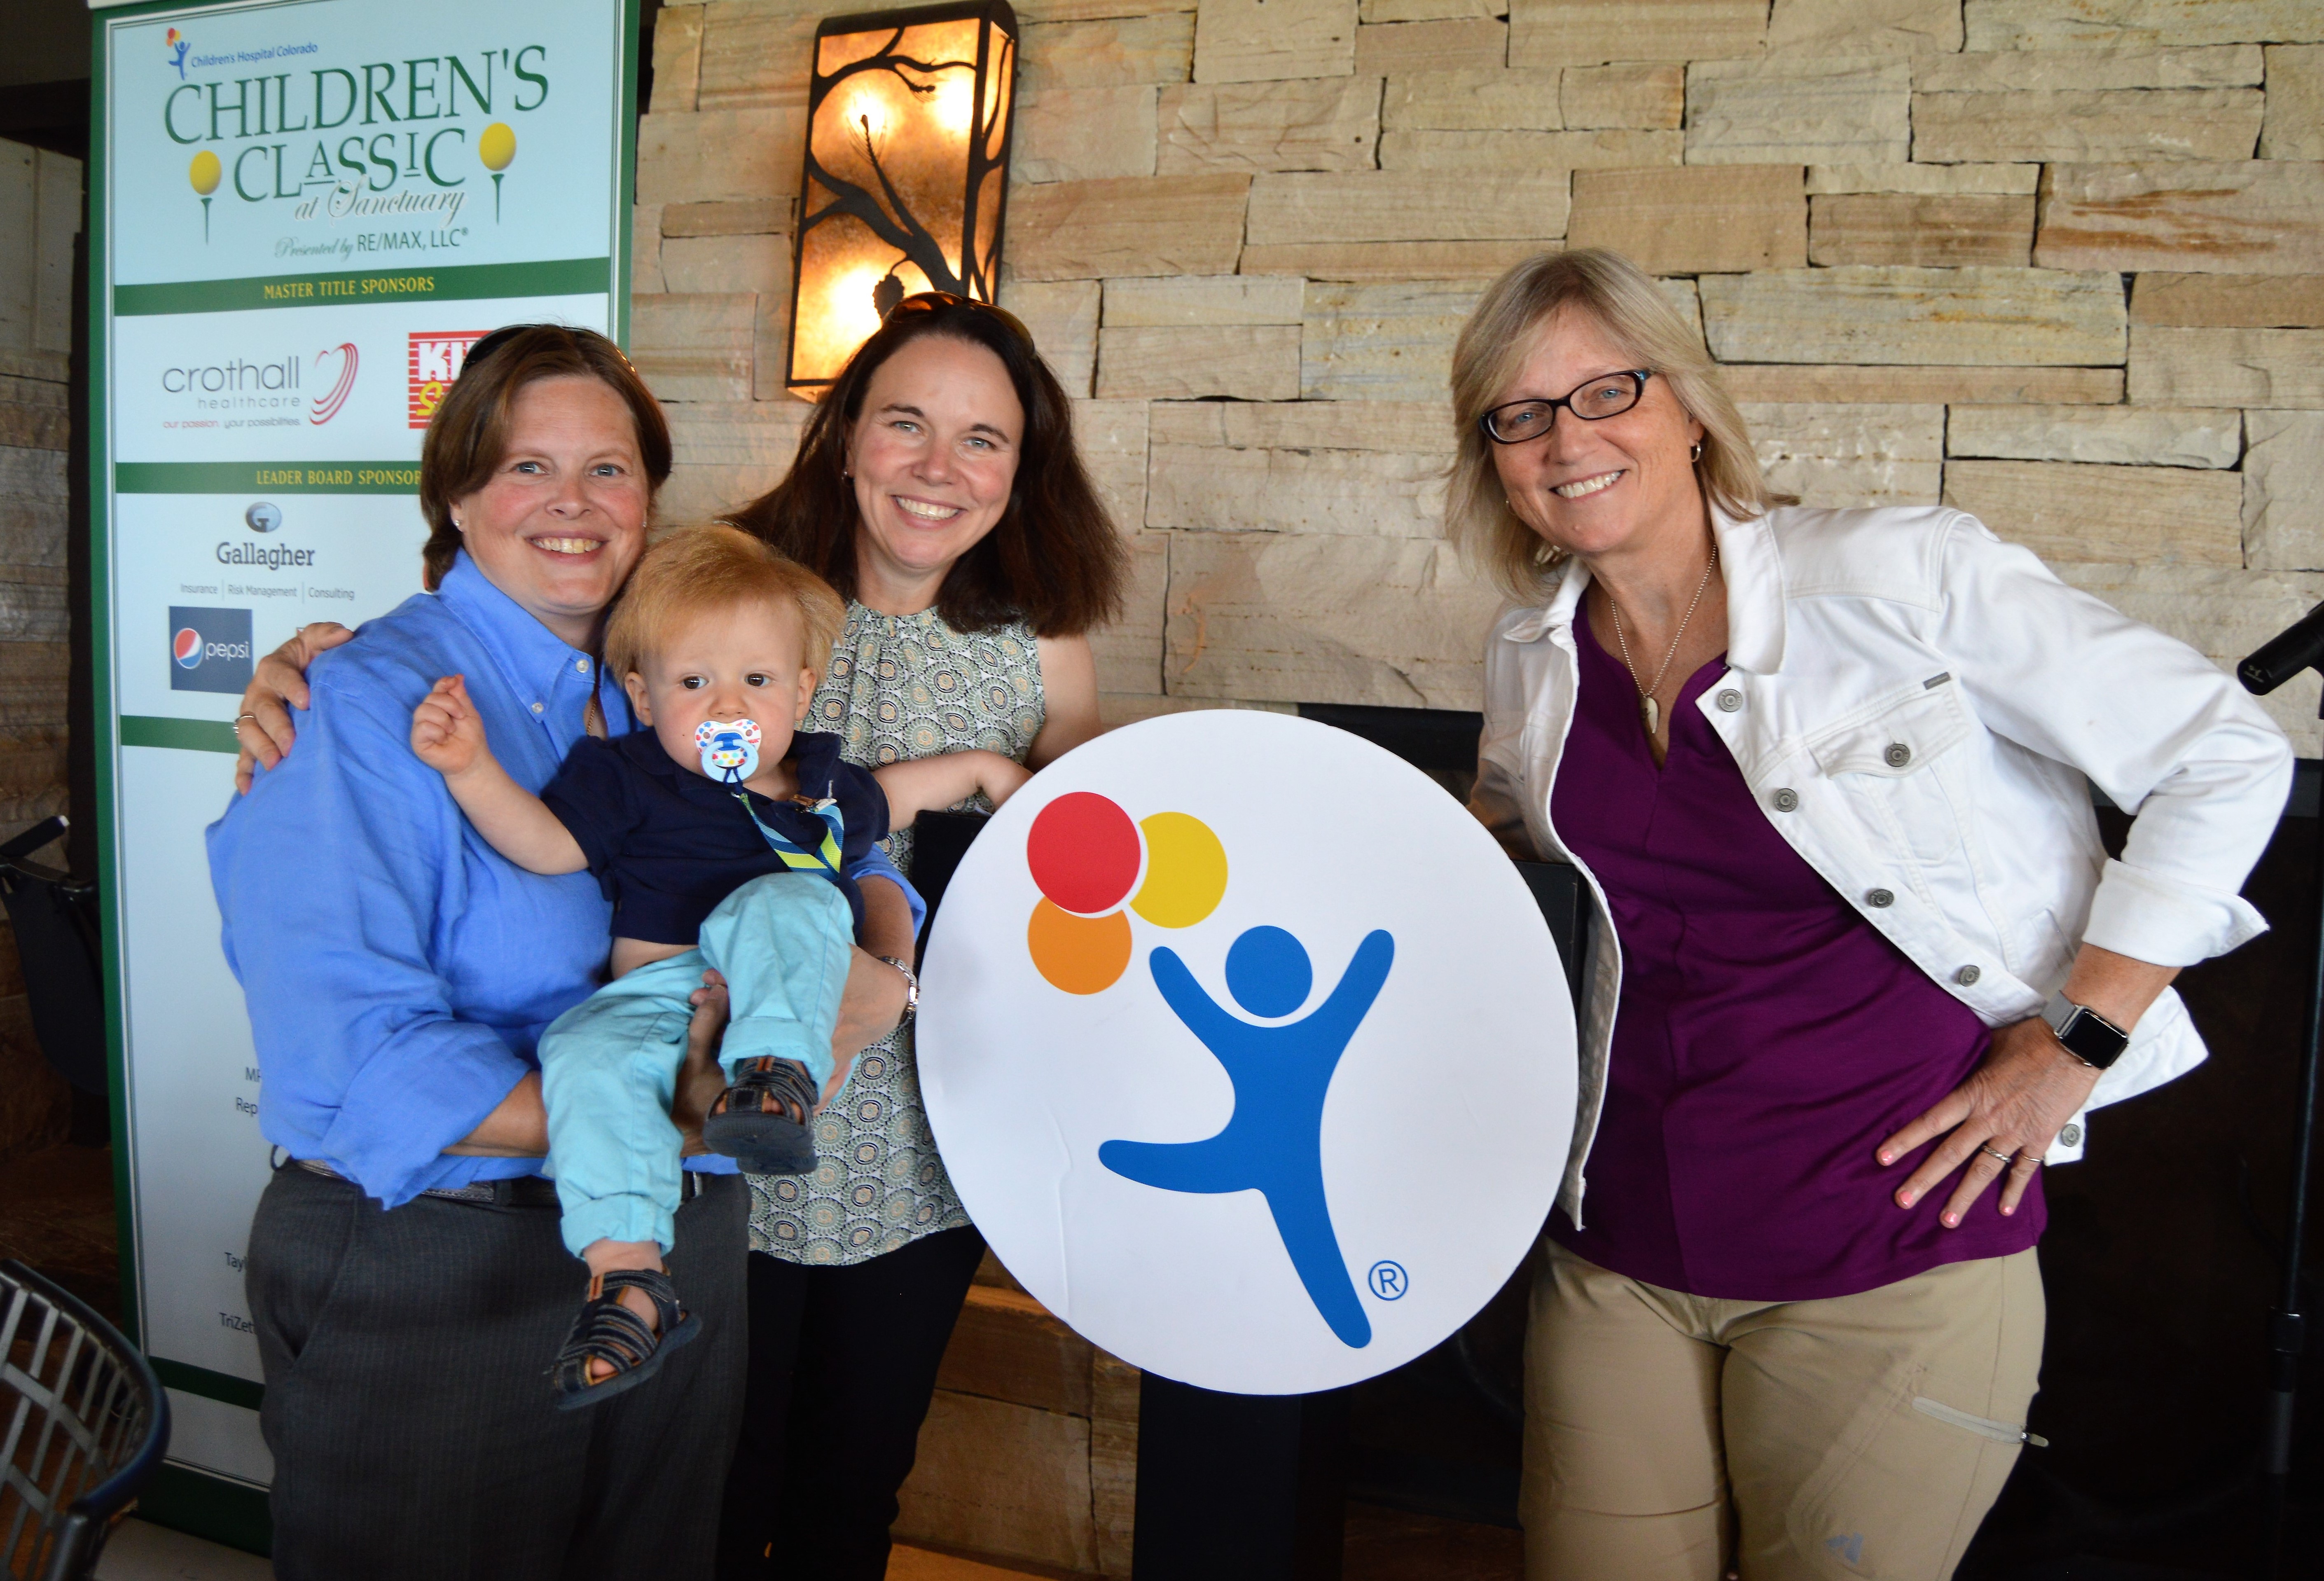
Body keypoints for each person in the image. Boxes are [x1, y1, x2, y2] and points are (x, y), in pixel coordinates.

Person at [231, 295, 1127, 1578]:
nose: (574, 503)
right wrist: (689, 1112)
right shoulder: (391, 695)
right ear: (456, 497)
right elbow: (347, 1050)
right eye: (526, 467)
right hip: (473, 1242)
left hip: (714, 1209)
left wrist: (889, 959)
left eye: (609, 470)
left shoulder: (659, 673)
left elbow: (842, 840)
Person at [1450, 250, 2293, 1581]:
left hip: (1892, 1243)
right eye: (1521, 412)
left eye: (1607, 389)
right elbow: (1508, 833)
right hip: (1616, 1240)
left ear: (1687, 409)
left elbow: (2224, 754)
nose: (1569, 438)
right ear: (1493, 457)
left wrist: (2076, 1038)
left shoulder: (1900, 577)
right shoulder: (1529, 652)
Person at [406, 523, 1026, 1410]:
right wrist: (469, 768)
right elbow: (544, 846)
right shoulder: (625, 776)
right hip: (655, 998)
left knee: (792, 902)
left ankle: (773, 1079)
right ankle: (627, 1275)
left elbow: (899, 792)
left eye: (757, 682)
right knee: (583, 1052)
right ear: (643, 695)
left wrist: (985, 767)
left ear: (802, 690)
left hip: (769, 992)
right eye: (693, 682)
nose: (726, 706)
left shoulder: (820, 785)